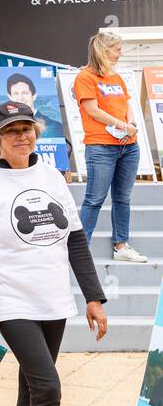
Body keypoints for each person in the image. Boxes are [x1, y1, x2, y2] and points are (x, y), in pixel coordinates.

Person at [0, 101, 109, 406]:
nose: (21, 136)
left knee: (31, 388)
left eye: (26, 128)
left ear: (36, 132)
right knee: (47, 386)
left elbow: (74, 238)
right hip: (10, 299)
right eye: (11, 130)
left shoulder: (51, 176)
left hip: (52, 296)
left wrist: (93, 297)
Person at [74, 33, 150, 263]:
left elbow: (127, 103)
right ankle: (80, 251)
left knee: (122, 198)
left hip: (128, 146)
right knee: (94, 199)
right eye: (117, 49)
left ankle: (121, 246)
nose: (120, 53)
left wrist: (131, 123)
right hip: (101, 147)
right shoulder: (84, 77)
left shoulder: (116, 77)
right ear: (103, 51)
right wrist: (122, 126)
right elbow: (93, 110)